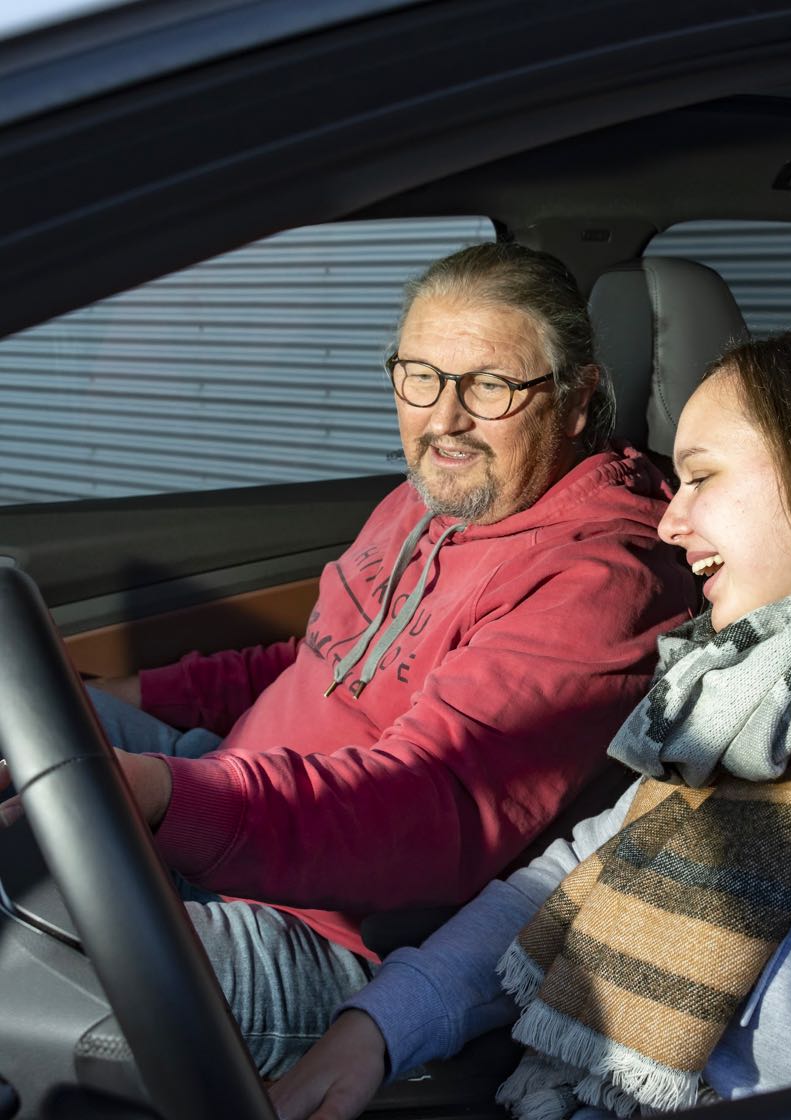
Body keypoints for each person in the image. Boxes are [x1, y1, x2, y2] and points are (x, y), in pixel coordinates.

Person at [0, 242, 695, 1078]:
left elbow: (424, 810)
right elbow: (319, 659)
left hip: (330, 934)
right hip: (231, 791)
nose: (444, 420)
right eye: (420, 377)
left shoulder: (598, 581)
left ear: (577, 399)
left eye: (489, 386)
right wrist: (133, 695)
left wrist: (166, 796)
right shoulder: (433, 498)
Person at [269, 313, 791, 1120]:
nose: (670, 521)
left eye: (701, 477)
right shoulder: (732, 700)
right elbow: (563, 882)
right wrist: (376, 1027)